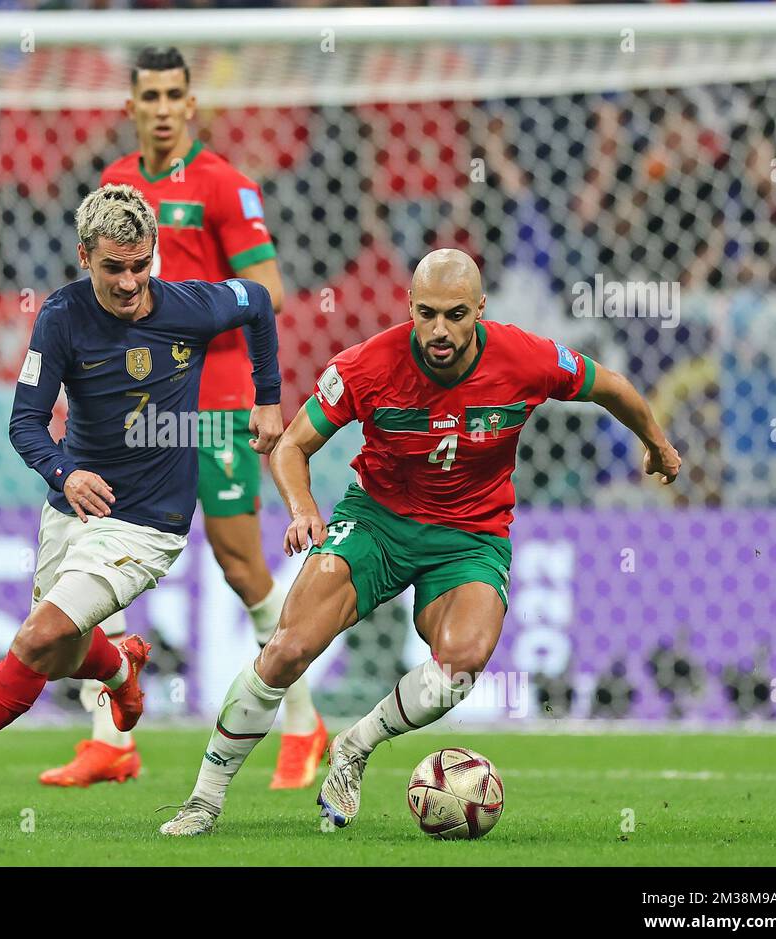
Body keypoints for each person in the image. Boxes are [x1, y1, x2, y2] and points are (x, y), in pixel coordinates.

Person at [160, 248, 682, 835]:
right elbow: (290, 445)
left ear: (480, 310)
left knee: (461, 664)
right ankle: (203, 801)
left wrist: (656, 443)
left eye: (456, 315)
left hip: (470, 537)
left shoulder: (525, 358)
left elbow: (608, 386)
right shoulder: (368, 365)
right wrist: (303, 509)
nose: (439, 329)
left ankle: (354, 748)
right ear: (408, 307)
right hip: (378, 522)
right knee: (285, 649)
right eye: (427, 313)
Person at [0, 184, 283, 812]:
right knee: (56, 659)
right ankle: (120, 670)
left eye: (141, 266)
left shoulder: (190, 308)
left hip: (148, 523)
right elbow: (25, 422)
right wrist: (64, 476)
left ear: (154, 254)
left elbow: (260, 302)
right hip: (74, 509)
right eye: (114, 267)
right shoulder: (61, 316)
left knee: (33, 640)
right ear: (85, 256)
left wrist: (266, 395)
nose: (131, 282)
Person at [39, 46, 325, 790]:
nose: (162, 107)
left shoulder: (226, 186)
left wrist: (187, 313)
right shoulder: (114, 187)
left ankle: (303, 720)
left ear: (191, 105)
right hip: (133, 407)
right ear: (129, 107)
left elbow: (270, 289)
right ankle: (109, 739)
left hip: (214, 403)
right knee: (89, 550)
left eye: (174, 94)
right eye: (149, 95)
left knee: (239, 564)